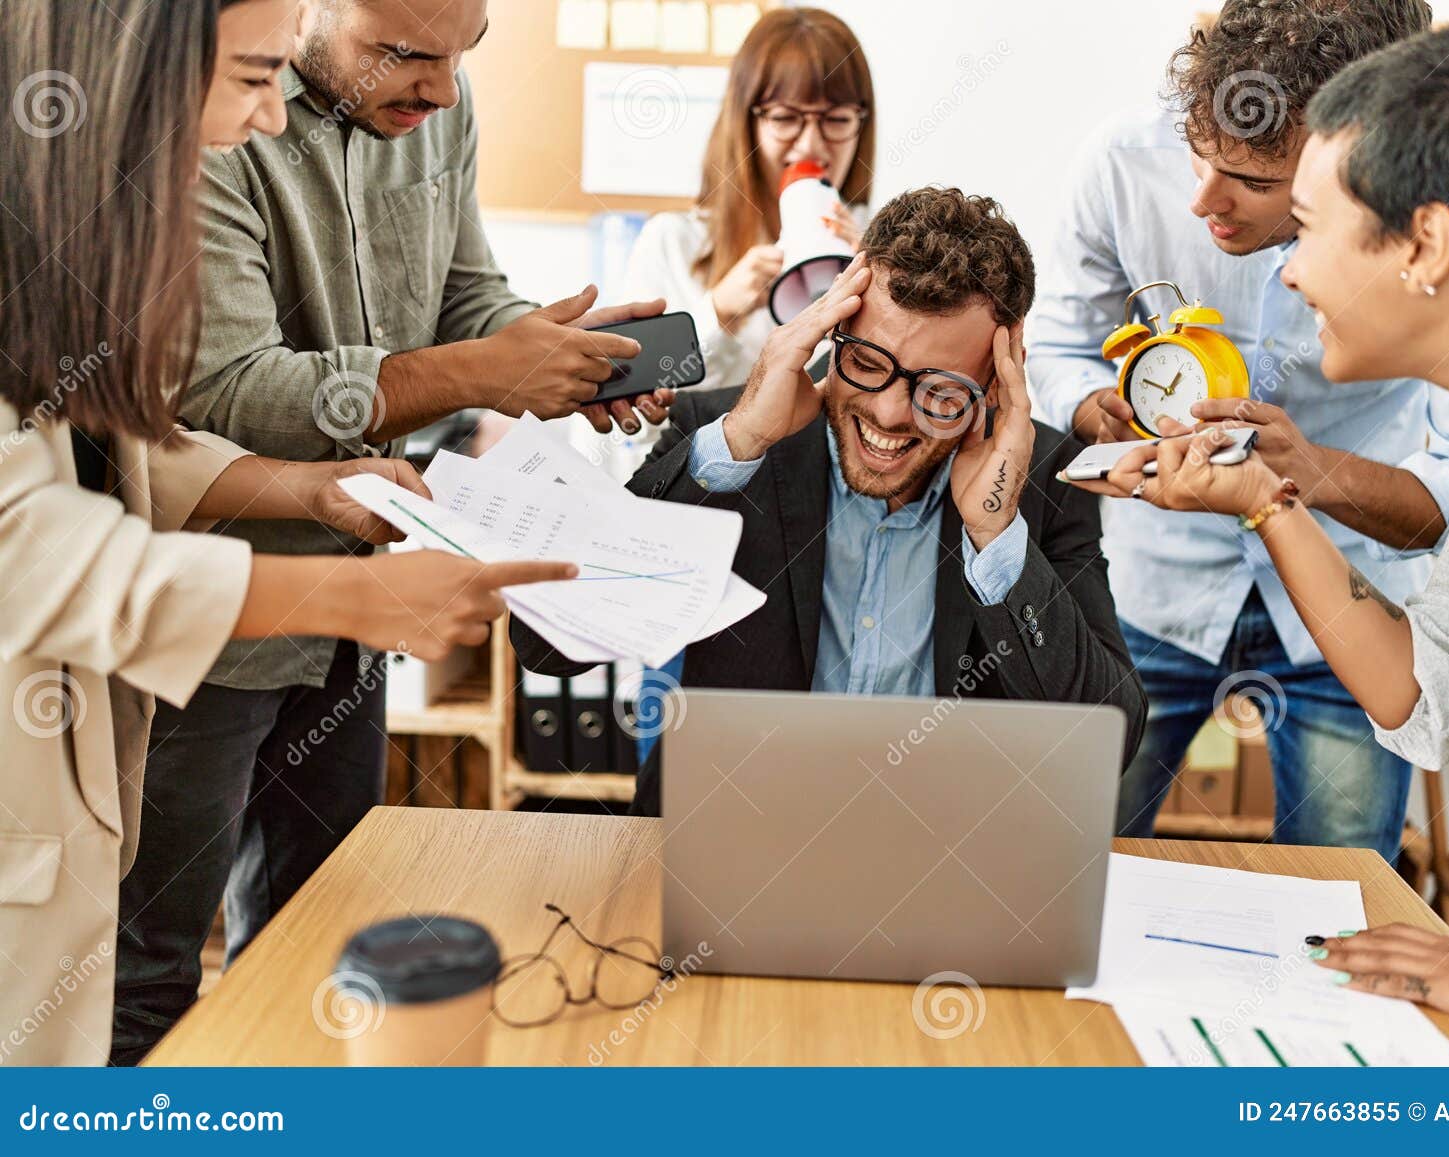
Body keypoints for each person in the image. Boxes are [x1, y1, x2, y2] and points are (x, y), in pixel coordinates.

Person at [0, 0, 573, 1066]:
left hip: (303, 605)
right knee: (135, 980)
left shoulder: (88, 213)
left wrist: (307, 493)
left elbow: (126, 447)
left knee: (312, 933)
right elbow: (40, 542)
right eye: (253, 75)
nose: (271, 119)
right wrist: (354, 592)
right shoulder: (93, 200)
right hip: (147, 688)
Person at [108, 0, 669, 1064]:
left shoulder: (437, 103)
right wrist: (479, 372)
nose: (443, 90)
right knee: (148, 971)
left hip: (368, 591)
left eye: (463, 56)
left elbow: (464, 298)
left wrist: (550, 354)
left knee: (327, 939)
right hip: (214, 613)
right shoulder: (215, 123)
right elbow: (228, 388)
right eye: (404, 55)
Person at [1097, 17, 1449, 1038]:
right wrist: (1266, 503)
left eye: (1311, 225)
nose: (1287, 270)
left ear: (1425, 244)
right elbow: (1413, 687)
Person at [516, 187, 1148, 816]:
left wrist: (996, 535)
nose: (891, 412)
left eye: (941, 388)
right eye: (870, 362)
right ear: (833, 328)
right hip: (732, 838)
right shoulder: (729, 440)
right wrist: (737, 445)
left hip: (938, 859)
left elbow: (1107, 739)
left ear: (996, 379)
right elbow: (547, 646)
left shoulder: (1038, 479)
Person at [1030, 0, 1449, 860]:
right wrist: (1097, 410)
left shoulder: (1444, 231)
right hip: (1153, 593)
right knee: (1070, 872)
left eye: (1259, 184)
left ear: (1358, 158)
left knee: (1335, 900)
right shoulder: (1125, 160)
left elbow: (1448, 502)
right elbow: (1055, 339)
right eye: (1198, 154)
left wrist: (1303, 472)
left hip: (1349, 605)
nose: (1201, 202)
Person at [622, 7, 873, 397]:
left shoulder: (878, 243)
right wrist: (718, 314)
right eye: (786, 118)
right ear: (747, 121)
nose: (810, 144)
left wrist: (885, 298)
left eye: (836, 119)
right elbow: (630, 404)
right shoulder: (673, 243)